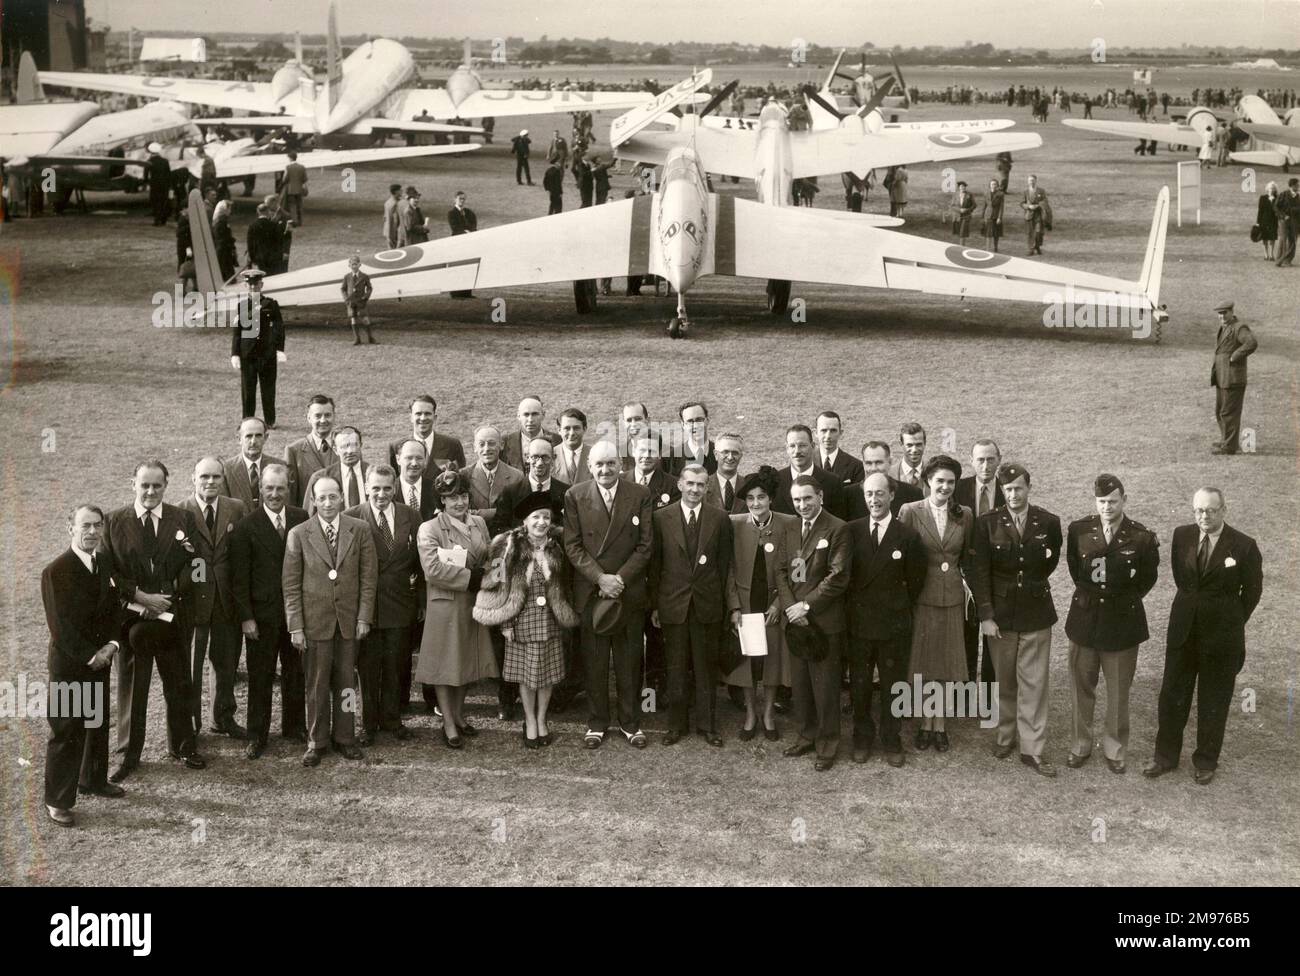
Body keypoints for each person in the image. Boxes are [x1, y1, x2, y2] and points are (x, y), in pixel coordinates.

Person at [1144, 489, 1263, 785]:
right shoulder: (1182, 535)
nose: (1204, 517)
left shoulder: (1244, 546)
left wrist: (1230, 620)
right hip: (1183, 631)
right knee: (1172, 695)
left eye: (1210, 511)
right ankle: (1165, 757)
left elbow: (1252, 592)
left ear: (1224, 509)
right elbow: (1182, 579)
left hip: (1222, 637)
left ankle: (1206, 760)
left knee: (1214, 698)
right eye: (1198, 511)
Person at [101, 459, 206, 782]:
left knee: (179, 682)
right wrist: (141, 599)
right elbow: (107, 572)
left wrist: (169, 597)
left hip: (172, 617)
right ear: (133, 484)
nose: (150, 491)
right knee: (135, 686)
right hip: (132, 622)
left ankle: (183, 745)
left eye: (157, 485)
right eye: (144, 485)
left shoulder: (182, 518)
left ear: (166, 485)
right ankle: (129, 753)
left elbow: (196, 563)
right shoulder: (113, 522)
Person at [970, 463, 1062, 778]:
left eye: (1018, 488)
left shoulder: (1048, 522)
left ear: (1028, 488)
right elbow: (979, 572)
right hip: (1000, 617)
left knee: (1034, 684)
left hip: (1036, 614)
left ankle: (1032, 748)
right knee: (1004, 680)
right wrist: (986, 615)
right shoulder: (986, 523)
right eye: (1007, 489)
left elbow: (1048, 564)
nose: (1013, 494)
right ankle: (1006, 735)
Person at [1063, 474, 1159, 774]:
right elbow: (1076, 570)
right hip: (1085, 622)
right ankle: (1081, 744)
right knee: (1081, 687)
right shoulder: (1079, 530)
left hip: (1122, 625)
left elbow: (1146, 579)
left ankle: (1115, 747)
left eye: (1113, 501)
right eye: (1102, 501)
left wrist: (1118, 600)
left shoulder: (1142, 537)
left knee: (1118, 691)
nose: (1107, 507)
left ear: (1124, 500)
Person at [562, 441, 653, 751]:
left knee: (629, 662)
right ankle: (597, 722)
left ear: (620, 464)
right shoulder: (575, 496)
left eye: (611, 464)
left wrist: (619, 579)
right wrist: (600, 578)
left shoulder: (639, 495)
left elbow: (645, 546)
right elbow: (572, 546)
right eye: (599, 464)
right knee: (595, 662)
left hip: (628, 592)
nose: (605, 470)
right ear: (590, 466)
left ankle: (631, 723)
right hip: (592, 592)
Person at [283, 474, 378, 767]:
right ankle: (317, 740)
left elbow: (368, 578)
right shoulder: (299, 533)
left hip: (349, 622)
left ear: (341, 498)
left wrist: (364, 617)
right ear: (313, 500)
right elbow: (290, 584)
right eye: (321, 497)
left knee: (347, 683)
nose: (327, 503)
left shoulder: (359, 530)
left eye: (333, 496)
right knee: (316, 684)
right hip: (314, 624)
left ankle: (345, 737)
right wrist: (296, 625)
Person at [41, 505, 125, 827]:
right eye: (85, 526)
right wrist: (93, 655)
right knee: (67, 731)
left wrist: (112, 645)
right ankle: (57, 801)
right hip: (71, 666)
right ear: (70, 528)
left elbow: (114, 611)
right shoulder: (56, 571)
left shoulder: (103, 562)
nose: (92, 532)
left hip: (100, 661)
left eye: (97, 526)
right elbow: (60, 627)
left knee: (96, 723)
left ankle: (94, 780)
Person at [475, 491, 579, 747]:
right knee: (527, 675)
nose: (541, 522)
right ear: (525, 521)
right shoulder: (507, 545)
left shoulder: (559, 545)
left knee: (548, 674)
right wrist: (506, 622)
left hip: (551, 618)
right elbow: (497, 585)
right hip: (521, 618)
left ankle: (542, 720)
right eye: (536, 517)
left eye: (546, 517)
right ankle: (529, 720)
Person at [844, 472, 926, 766]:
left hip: (894, 625)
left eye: (880, 494)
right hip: (860, 625)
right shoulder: (851, 531)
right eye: (869, 494)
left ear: (892, 495)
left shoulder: (907, 536)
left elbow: (915, 581)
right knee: (861, 685)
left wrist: (895, 607)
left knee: (894, 685)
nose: (874, 500)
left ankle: (892, 739)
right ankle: (862, 738)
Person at [650, 463, 733, 747]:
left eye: (701, 485)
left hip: (707, 605)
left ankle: (707, 726)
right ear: (680, 485)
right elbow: (655, 566)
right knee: (675, 667)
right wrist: (656, 607)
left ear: (707, 487)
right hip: (673, 605)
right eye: (690, 484)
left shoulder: (720, 519)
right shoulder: (661, 518)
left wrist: (724, 606)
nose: (695, 489)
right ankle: (676, 725)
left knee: (705, 667)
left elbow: (724, 566)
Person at [416, 468, 499, 747]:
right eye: (451, 498)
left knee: (465, 660)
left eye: (463, 495)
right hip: (446, 605)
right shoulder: (430, 528)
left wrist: (488, 572)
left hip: (474, 602)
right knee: (445, 664)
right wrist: (471, 577)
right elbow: (433, 569)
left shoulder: (478, 522)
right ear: (441, 501)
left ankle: (460, 715)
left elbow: (489, 553)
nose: (459, 502)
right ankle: (448, 722)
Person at [230, 463, 307, 758]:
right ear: (260, 490)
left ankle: (294, 725)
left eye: (281, 488)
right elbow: (239, 578)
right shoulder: (246, 526)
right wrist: (246, 618)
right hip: (261, 617)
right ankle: (257, 734)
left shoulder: (300, 518)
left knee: (295, 671)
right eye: (269, 488)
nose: (275, 494)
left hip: (294, 615)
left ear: (289, 489)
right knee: (260, 675)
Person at [897, 455, 973, 753]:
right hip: (922, 597)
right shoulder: (910, 511)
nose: (945, 487)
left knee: (946, 664)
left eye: (951, 482)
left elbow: (967, 556)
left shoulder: (964, 513)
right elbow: (901, 553)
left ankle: (939, 724)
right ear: (928, 481)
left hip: (952, 598)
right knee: (925, 664)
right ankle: (925, 723)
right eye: (939, 480)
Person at [779, 475, 850, 771]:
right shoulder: (791, 526)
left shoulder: (837, 528)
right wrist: (792, 608)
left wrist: (806, 605)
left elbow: (838, 576)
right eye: (797, 500)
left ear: (820, 496)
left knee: (825, 687)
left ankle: (828, 743)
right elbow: (782, 571)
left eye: (807, 498)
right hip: (797, 620)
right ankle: (806, 735)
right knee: (802, 685)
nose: (802, 505)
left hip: (823, 620)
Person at [345, 465, 417, 745]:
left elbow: (418, 563)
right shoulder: (351, 516)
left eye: (387, 488)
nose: (381, 494)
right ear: (366, 488)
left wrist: (419, 601)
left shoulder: (410, 515)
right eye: (375, 488)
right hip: (366, 607)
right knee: (367, 668)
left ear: (395, 488)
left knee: (396, 665)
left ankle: (392, 719)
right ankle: (367, 723)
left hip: (400, 605)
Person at [178, 457, 247, 741]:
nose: (210, 482)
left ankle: (223, 717)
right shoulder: (180, 511)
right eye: (204, 477)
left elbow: (241, 554)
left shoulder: (236, 508)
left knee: (226, 661)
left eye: (216, 477)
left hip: (225, 600)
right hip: (193, 601)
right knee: (192, 664)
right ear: (193, 478)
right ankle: (190, 724)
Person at [724, 467, 794, 741]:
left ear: (771, 499)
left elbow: (794, 570)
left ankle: (768, 713)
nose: (756, 503)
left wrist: (779, 603)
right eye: (751, 498)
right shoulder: (734, 523)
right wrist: (734, 607)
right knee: (748, 662)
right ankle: (751, 713)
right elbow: (728, 568)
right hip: (746, 605)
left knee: (772, 661)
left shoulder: (788, 523)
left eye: (761, 497)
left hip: (773, 606)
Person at [955, 439, 1004, 682]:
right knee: (966, 636)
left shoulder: (1009, 490)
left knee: (993, 637)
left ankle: (988, 703)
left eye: (990, 459)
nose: (985, 465)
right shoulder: (958, 489)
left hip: (996, 575)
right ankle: (964, 698)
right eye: (980, 460)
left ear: (999, 461)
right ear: (971, 461)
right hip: (965, 573)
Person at [1208, 300, 1257, 455]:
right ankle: (1226, 441)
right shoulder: (1225, 328)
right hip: (1223, 377)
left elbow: (1251, 343)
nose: (1221, 316)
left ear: (1231, 312)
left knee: (1229, 412)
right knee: (1220, 410)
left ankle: (1229, 447)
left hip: (1233, 378)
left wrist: (1235, 355)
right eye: (1219, 313)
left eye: (1224, 313)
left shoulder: (1239, 327)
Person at [466, 424, 526, 537]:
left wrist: (479, 513)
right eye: (481, 444)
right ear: (474, 447)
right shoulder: (464, 475)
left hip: (506, 538)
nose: (486, 449)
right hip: (473, 537)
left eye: (492, 443)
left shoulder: (516, 476)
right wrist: (499, 512)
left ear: (501, 445)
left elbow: (519, 513)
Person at [221, 416, 293, 509]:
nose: (253, 441)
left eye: (258, 436)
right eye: (248, 436)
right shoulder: (227, 468)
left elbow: (286, 503)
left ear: (265, 437)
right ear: (239, 439)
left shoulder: (280, 466)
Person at [387, 394, 466, 471]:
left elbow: (460, 479)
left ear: (435, 418)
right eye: (418, 414)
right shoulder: (396, 447)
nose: (423, 418)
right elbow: (391, 480)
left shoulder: (452, 445)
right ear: (411, 417)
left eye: (427, 414)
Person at [302, 426, 369, 516]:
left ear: (361, 445)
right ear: (335, 450)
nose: (350, 451)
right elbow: (309, 516)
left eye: (354, 445)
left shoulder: (373, 474)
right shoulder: (321, 477)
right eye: (344, 446)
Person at [285, 394, 336, 507]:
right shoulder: (294, 450)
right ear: (308, 418)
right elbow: (291, 494)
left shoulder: (346, 448)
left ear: (334, 416)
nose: (323, 420)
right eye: (317, 416)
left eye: (327, 415)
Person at [860, 440, 922, 517]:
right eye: (868, 463)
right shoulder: (849, 495)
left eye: (878, 462)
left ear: (890, 462)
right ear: (863, 464)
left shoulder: (912, 494)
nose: (873, 468)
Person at [500, 396, 562, 469]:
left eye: (535, 414)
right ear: (518, 416)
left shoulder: (558, 441)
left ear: (543, 415)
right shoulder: (505, 442)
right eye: (526, 414)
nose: (530, 420)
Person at [815, 410, 864, 489]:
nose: (828, 436)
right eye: (823, 430)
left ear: (840, 433)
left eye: (833, 430)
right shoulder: (806, 462)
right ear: (816, 433)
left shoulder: (856, 467)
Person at [706, 432, 748, 513]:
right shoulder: (703, 486)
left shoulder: (748, 486)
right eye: (725, 452)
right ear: (715, 454)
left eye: (735, 453)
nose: (730, 457)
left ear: (741, 456)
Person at [447, 190, 477, 298]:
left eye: (463, 199)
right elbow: (455, 228)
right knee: (457, 268)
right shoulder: (452, 213)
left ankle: (467, 292)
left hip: (468, 243)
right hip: (457, 243)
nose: (462, 201)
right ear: (455, 199)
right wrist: (465, 232)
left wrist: (471, 232)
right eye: (460, 198)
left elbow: (474, 225)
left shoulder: (469, 212)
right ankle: (455, 293)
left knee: (468, 267)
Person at [340, 254, 375, 345]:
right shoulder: (347, 277)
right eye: (352, 264)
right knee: (353, 319)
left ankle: (370, 338)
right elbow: (343, 288)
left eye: (356, 264)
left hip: (361, 301)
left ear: (360, 265)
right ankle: (357, 339)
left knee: (365, 319)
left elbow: (370, 288)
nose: (354, 266)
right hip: (351, 302)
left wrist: (366, 297)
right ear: (349, 266)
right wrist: (346, 298)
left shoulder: (364, 276)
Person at [553, 407, 591, 485]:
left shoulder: (594, 454)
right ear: (559, 430)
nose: (572, 433)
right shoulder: (550, 455)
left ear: (584, 429)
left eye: (576, 428)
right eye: (567, 428)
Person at [888, 422, 927, 488]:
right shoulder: (889, 474)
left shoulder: (932, 472)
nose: (914, 450)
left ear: (924, 444)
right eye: (909, 445)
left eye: (918, 444)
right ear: (901, 445)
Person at [1021, 174, 1051, 256]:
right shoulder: (1025, 192)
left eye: (1033, 180)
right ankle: (1031, 249)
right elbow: (1022, 203)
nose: (1031, 182)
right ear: (1027, 182)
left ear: (1036, 181)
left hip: (1039, 214)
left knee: (1039, 232)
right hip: (1029, 215)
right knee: (1030, 233)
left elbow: (1045, 201)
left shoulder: (1041, 191)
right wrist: (1028, 206)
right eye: (1030, 180)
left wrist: (1038, 205)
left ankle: (1037, 246)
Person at [1274, 177, 1299, 267]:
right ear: (1292, 185)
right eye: (1297, 185)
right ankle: (1279, 261)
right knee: (1283, 240)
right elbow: (1276, 207)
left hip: (1295, 222)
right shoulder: (1283, 195)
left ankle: (1288, 260)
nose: (1298, 186)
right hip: (1283, 221)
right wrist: (1283, 216)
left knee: (1293, 241)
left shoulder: (1298, 197)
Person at [212, 199, 238, 283]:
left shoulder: (220, 220)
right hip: (224, 251)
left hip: (222, 250)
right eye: (229, 208)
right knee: (228, 274)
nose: (230, 210)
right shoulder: (222, 221)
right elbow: (224, 237)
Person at [146, 142, 171, 226]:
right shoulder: (165, 161)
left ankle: (157, 220)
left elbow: (145, 175)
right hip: (164, 184)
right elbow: (168, 174)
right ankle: (163, 219)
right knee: (163, 200)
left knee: (155, 201)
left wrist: (147, 182)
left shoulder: (149, 162)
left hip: (154, 184)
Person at [1255, 181, 1279, 261]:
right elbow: (1260, 211)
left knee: (1272, 238)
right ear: (1267, 189)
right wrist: (1258, 222)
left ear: (1275, 190)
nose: (1271, 190)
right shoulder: (1263, 198)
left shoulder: (1277, 198)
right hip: (1264, 221)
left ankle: (1271, 255)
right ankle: (1266, 254)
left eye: (1273, 189)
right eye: (1270, 188)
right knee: (1264, 238)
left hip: (1273, 221)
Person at [282, 151, 307, 225]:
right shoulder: (302, 167)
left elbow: (285, 179)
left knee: (292, 205)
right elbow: (305, 178)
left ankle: (294, 221)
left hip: (291, 189)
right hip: (299, 189)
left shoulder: (288, 167)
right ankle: (300, 221)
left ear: (290, 158)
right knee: (299, 205)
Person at [981, 179, 1005, 252]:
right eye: (992, 184)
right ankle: (988, 249)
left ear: (997, 185)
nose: (993, 186)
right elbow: (984, 205)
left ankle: (995, 248)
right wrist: (982, 216)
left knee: (996, 233)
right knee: (988, 233)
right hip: (988, 215)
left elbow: (1001, 207)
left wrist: (999, 217)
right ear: (990, 185)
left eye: (995, 184)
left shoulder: (1000, 194)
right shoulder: (986, 193)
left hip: (996, 216)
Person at [952, 181, 976, 246]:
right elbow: (952, 206)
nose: (963, 188)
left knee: (963, 233)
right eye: (961, 186)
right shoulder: (955, 195)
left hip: (966, 216)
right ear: (959, 187)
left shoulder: (969, 195)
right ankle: (961, 246)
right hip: (957, 217)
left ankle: (961, 247)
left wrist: (967, 210)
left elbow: (974, 205)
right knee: (959, 233)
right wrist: (959, 210)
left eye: (964, 186)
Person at [382, 183, 402, 248]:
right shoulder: (396, 204)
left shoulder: (387, 202)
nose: (402, 192)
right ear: (396, 191)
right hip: (393, 232)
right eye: (400, 190)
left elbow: (384, 218)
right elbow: (396, 220)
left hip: (387, 230)